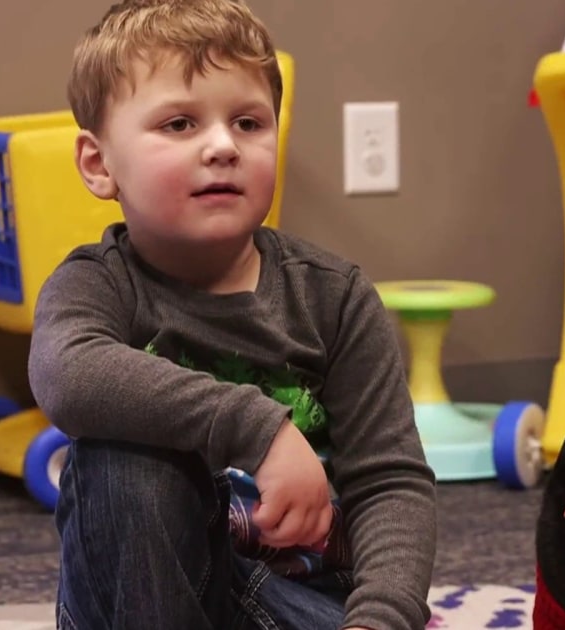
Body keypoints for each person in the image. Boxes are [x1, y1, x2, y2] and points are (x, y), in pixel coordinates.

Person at [27, 1, 437, 628]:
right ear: (99, 163)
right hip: (143, 606)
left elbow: (391, 484)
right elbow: (70, 375)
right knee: (125, 457)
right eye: (180, 124)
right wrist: (261, 431)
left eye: (248, 122)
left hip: (293, 602)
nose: (222, 145)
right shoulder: (96, 283)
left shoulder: (335, 296)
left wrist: (381, 619)